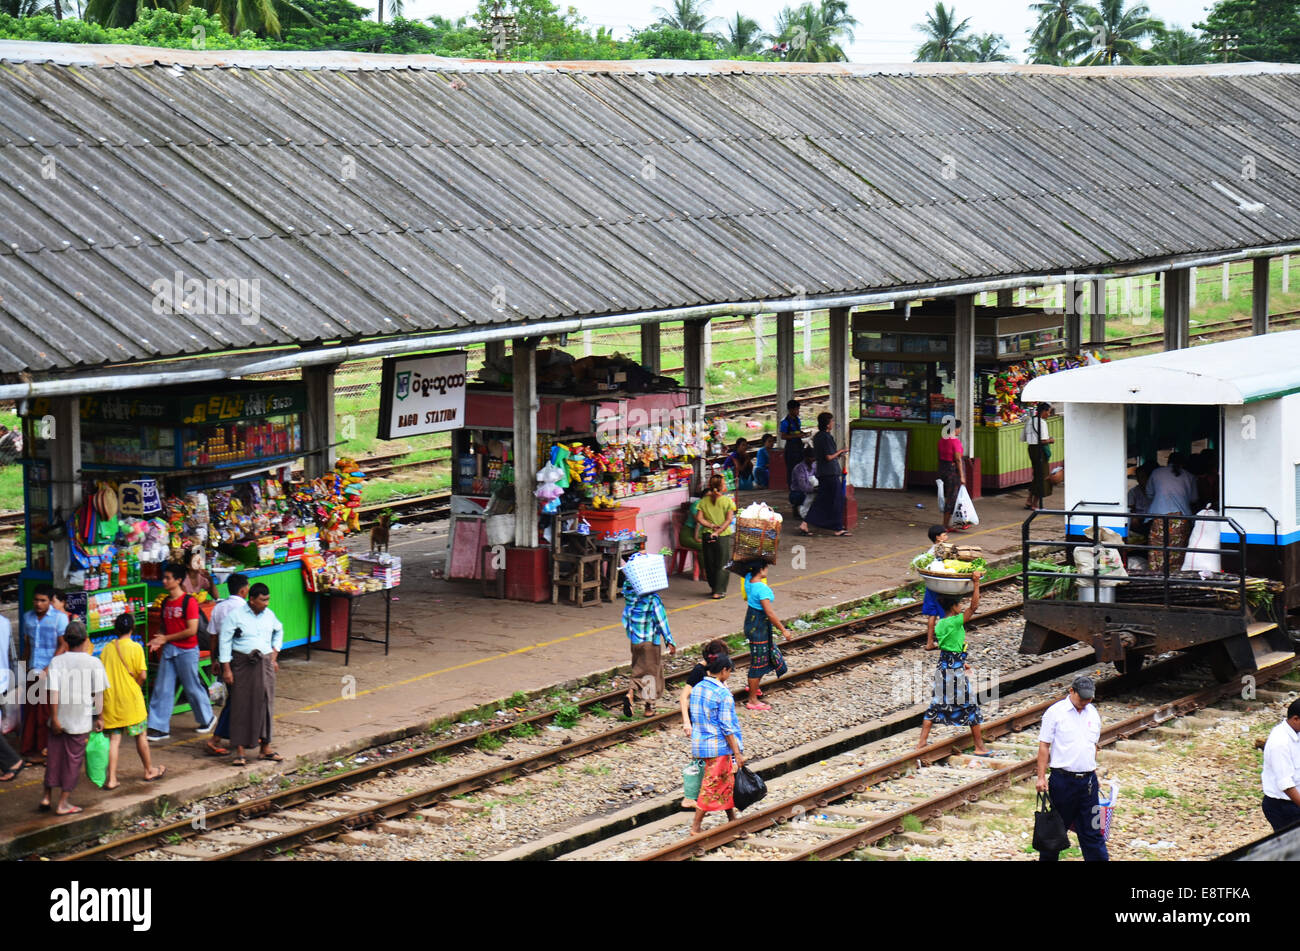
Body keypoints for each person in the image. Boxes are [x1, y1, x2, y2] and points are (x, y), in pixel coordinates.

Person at [915, 573, 991, 755]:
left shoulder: (940, 624)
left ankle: (922, 742)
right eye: (959, 604)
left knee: (937, 703)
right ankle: (979, 747)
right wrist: (976, 583)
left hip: (944, 666)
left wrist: (962, 662)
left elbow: (947, 647)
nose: (961, 607)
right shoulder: (956, 622)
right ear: (954, 607)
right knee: (970, 706)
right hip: (954, 671)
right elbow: (974, 606)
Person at [1035, 676, 1108, 862]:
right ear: (1071, 691)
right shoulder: (1055, 713)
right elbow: (1044, 746)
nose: (1084, 702)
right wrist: (1041, 777)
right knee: (1054, 832)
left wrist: (1092, 770)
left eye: (1088, 699)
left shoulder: (1093, 713)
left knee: (1093, 832)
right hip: (1063, 782)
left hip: (1088, 783)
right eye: (1081, 698)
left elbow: (1094, 746)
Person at [41, 623, 107, 815]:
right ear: (86, 641)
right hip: (80, 719)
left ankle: (46, 797)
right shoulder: (94, 663)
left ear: (66, 641)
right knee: (72, 761)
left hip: (59, 718)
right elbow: (99, 694)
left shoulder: (57, 662)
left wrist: (54, 718)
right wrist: (100, 717)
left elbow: (53, 692)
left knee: (54, 757)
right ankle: (63, 803)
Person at [146, 563, 215, 742]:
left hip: (187, 650)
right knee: (163, 687)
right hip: (170, 650)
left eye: (168, 578)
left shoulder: (189, 602)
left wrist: (165, 639)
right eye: (164, 577)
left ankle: (207, 718)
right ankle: (159, 727)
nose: (164, 581)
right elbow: (164, 627)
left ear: (178, 580)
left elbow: (191, 630)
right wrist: (158, 639)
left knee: (192, 687)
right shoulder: (166, 603)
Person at [218, 582, 285, 766]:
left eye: (268, 599)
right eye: (263, 600)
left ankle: (265, 747)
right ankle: (240, 750)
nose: (266, 603)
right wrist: (226, 669)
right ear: (252, 599)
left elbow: (279, 631)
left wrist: (274, 655)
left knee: (266, 703)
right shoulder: (235, 616)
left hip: (264, 662)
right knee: (241, 705)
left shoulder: (269, 615)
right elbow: (225, 641)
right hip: (242, 663)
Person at [101, 614, 165, 787]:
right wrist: (135, 685)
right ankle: (149, 770)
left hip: (111, 700)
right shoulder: (136, 647)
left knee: (114, 740)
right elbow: (143, 675)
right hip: (131, 700)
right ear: (132, 628)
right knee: (141, 735)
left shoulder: (107, 648)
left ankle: (112, 779)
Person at [688, 654, 744, 835]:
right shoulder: (723, 694)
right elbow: (727, 727)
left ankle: (731, 818)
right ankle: (695, 825)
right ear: (724, 670)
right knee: (711, 784)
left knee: (725, 779)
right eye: (730, 672)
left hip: (700, 744)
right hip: (718, 746)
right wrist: (737, 753)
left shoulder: (697, 688)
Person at [677, 639, 729, 811]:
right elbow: (684, 697)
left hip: (710, 718)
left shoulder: (716, 671)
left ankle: (702, 795)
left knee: (706, 759)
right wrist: (686, 722)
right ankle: (691, 798)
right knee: (700, 760)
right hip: (700, 720)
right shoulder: (699, 671)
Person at [20, 583, 69, 763]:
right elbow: (27, 645)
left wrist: (48, 669)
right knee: (31, 711)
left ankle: (46, 749)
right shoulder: (28, 618)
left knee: (46, 713)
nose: (38, 604)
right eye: (36, 600)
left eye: (43, 601)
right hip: (33, 670)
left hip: (50, 673)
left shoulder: (59, 619)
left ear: (50, 601)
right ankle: (30, 748)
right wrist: (22, 667)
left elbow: (63, 645)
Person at [204, 573, 250, 756]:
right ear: (243, 590)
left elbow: (213, 637)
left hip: (224, 658)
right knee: (238, 699)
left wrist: (213, 660)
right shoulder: (246, 609)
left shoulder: (219, 608)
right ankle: (215, 738)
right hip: (240, 660)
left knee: (236, 698)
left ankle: (240, 736)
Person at [621, 578, 677, 718]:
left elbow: (626, 618)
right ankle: (648, 707)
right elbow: (661, 621)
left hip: (635, 642)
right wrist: (669, 640)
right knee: (651, 674)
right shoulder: (652, 599)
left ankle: (632, 693)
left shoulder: (630, 597)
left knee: (638, 669)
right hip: (650, 642)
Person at [740, 560, 790, 711]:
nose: (767, 570)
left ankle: (754, 688)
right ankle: (753, 700)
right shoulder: (762, 589)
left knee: (761, 656)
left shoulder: (748, 580)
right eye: (766, 567)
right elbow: (769, 613)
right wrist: (783, 630)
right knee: (758, 662)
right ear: (761, 569)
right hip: (760, 626)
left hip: (751, 622)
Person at [1146, 452, 1199, 571]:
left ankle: (1156, 576)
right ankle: (1174, 578)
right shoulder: (1189, 476)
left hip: (1159, 517)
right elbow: (1194, 498)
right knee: (1177, 551)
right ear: (1183, 463)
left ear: (1168, 461)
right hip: (1180, 518)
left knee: (1157, 550)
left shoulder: (1156, 473)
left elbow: (1149, 494)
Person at [800, 412, 850, 536]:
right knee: (837, 499)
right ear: (828, 424)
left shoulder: (817, 437)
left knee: (822, 499)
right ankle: (837, 527)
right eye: (832, 421)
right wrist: (841, 451)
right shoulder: (826, 437)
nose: (833, 424)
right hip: (830, 473)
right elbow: (828, 457)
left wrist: (837, 454)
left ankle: (806, 523)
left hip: (823, 472)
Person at [1260, 698, 1300, 833]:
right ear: (1295, 719)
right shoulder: (1280, 742)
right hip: (1284, 806)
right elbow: (1286, 784)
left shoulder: (1296, 732)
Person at [695, 474, 737, 600]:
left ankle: (713, 587)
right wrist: (718, 531)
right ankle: (719, 591)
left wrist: (711, 526)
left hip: (707, 535)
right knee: (722, 563)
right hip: (722, 536)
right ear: (721, 487)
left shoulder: (703, 501)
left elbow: (699, 518)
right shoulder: (727, 501)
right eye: (724, 484)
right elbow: (729, 519)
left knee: (710, 563)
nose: (725, 485)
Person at [921, 525, 949, 651]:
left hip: (931, 585)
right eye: (944, 535)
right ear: (938, 537)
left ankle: (929, 642)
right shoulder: (943, 549)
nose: (946, 537)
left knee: (932, 614)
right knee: (945, 614)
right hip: (942, 585)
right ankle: (945, 641)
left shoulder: (929, 551)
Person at [1023, 403, 1054, 510]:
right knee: (1042, 476)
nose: (1049, 414)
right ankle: (1035, 504)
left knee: (1036, 474)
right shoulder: (1042, 423)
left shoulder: (1029, 421)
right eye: (1048, 412)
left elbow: (1023, 438)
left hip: (1031, 449)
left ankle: (1029, 500)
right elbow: (1043, 440)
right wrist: (1050, 440)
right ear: (1043, 411)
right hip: (1040, 451)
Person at [938, 419, 966, 533]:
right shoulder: (955, 442)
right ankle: (945, 524)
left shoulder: (941, 440)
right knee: (952, 497)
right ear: (955, 429)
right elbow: (958, 459)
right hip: (953, 472)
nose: (960, 430)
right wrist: (962, 475)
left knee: (950, 496)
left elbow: (939, 457)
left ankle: (949, 523)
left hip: (944, 469)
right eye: (959, 428)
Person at [779, 399, 807, 488]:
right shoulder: (785, 422)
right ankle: (791, 486)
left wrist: (802, 434)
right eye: (796, 410)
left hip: (799, 446)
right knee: (791, 468)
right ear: (791, 410)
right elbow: (783, 436)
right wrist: (797, 436)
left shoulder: (797, 420)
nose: (798, 412)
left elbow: (797, 431)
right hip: (791, 448)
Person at [789, 447, 817, 521]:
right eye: (811, 458)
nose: (813, 460)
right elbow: (802, 486)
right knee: (800, 496)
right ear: (806, 458)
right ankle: (797, 507)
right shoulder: (799, 468)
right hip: (798, 492)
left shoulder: (814, 465)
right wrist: (814, 490)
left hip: (809, 490)